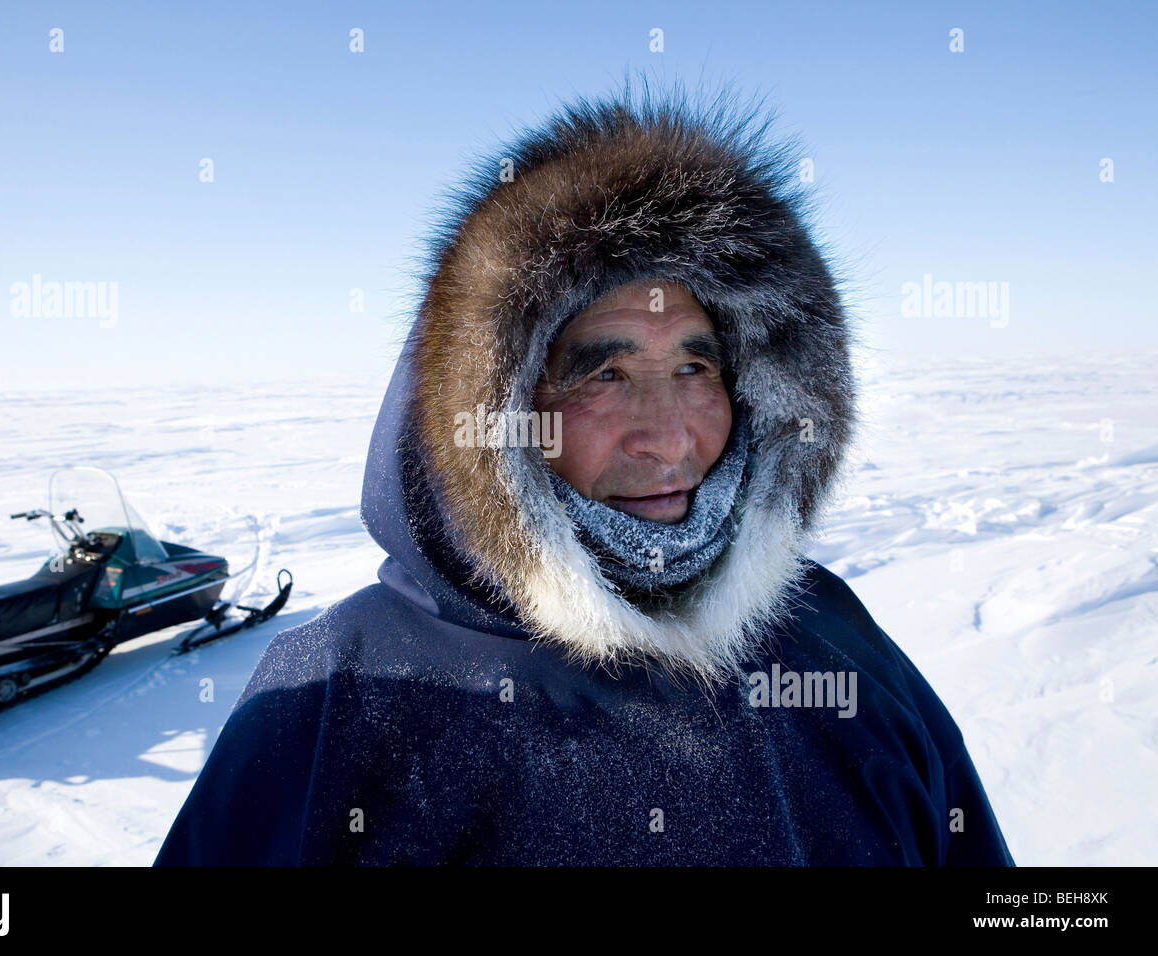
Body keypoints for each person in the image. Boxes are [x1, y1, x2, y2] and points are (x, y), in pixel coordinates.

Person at [154, 79, 1015, 866]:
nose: (668, 440)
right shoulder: (339, 696)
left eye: (695, 367)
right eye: (603, 373)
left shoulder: (825, 636)